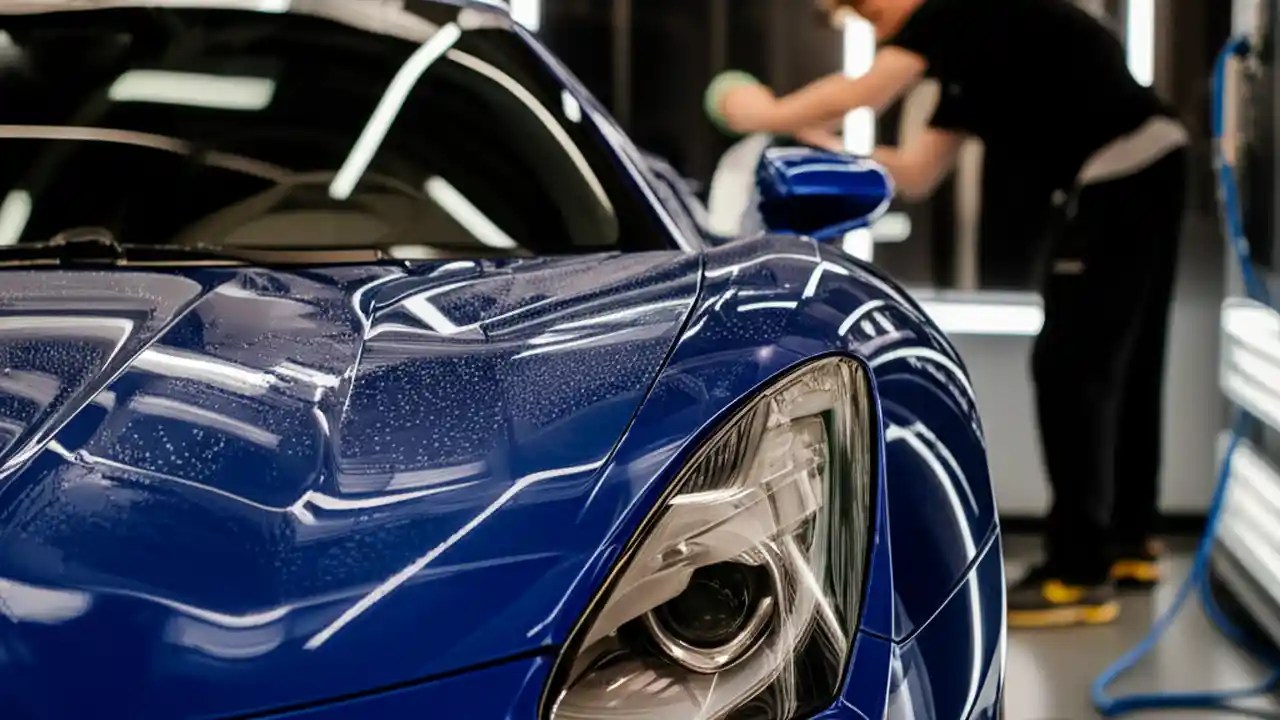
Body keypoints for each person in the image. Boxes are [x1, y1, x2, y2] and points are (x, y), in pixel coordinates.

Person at [711, 0, 1188, 628]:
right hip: (1148, 162)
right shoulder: (974, 59)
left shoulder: (950, 11)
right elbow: (916, 173)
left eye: (859, 9)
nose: (868, 22)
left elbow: (861, 93)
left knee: (1073, 367)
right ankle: (1130, 542)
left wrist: (760, 113)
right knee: (1122, 357)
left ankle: (1079, 571)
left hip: (1122, 168)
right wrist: (818, 144)